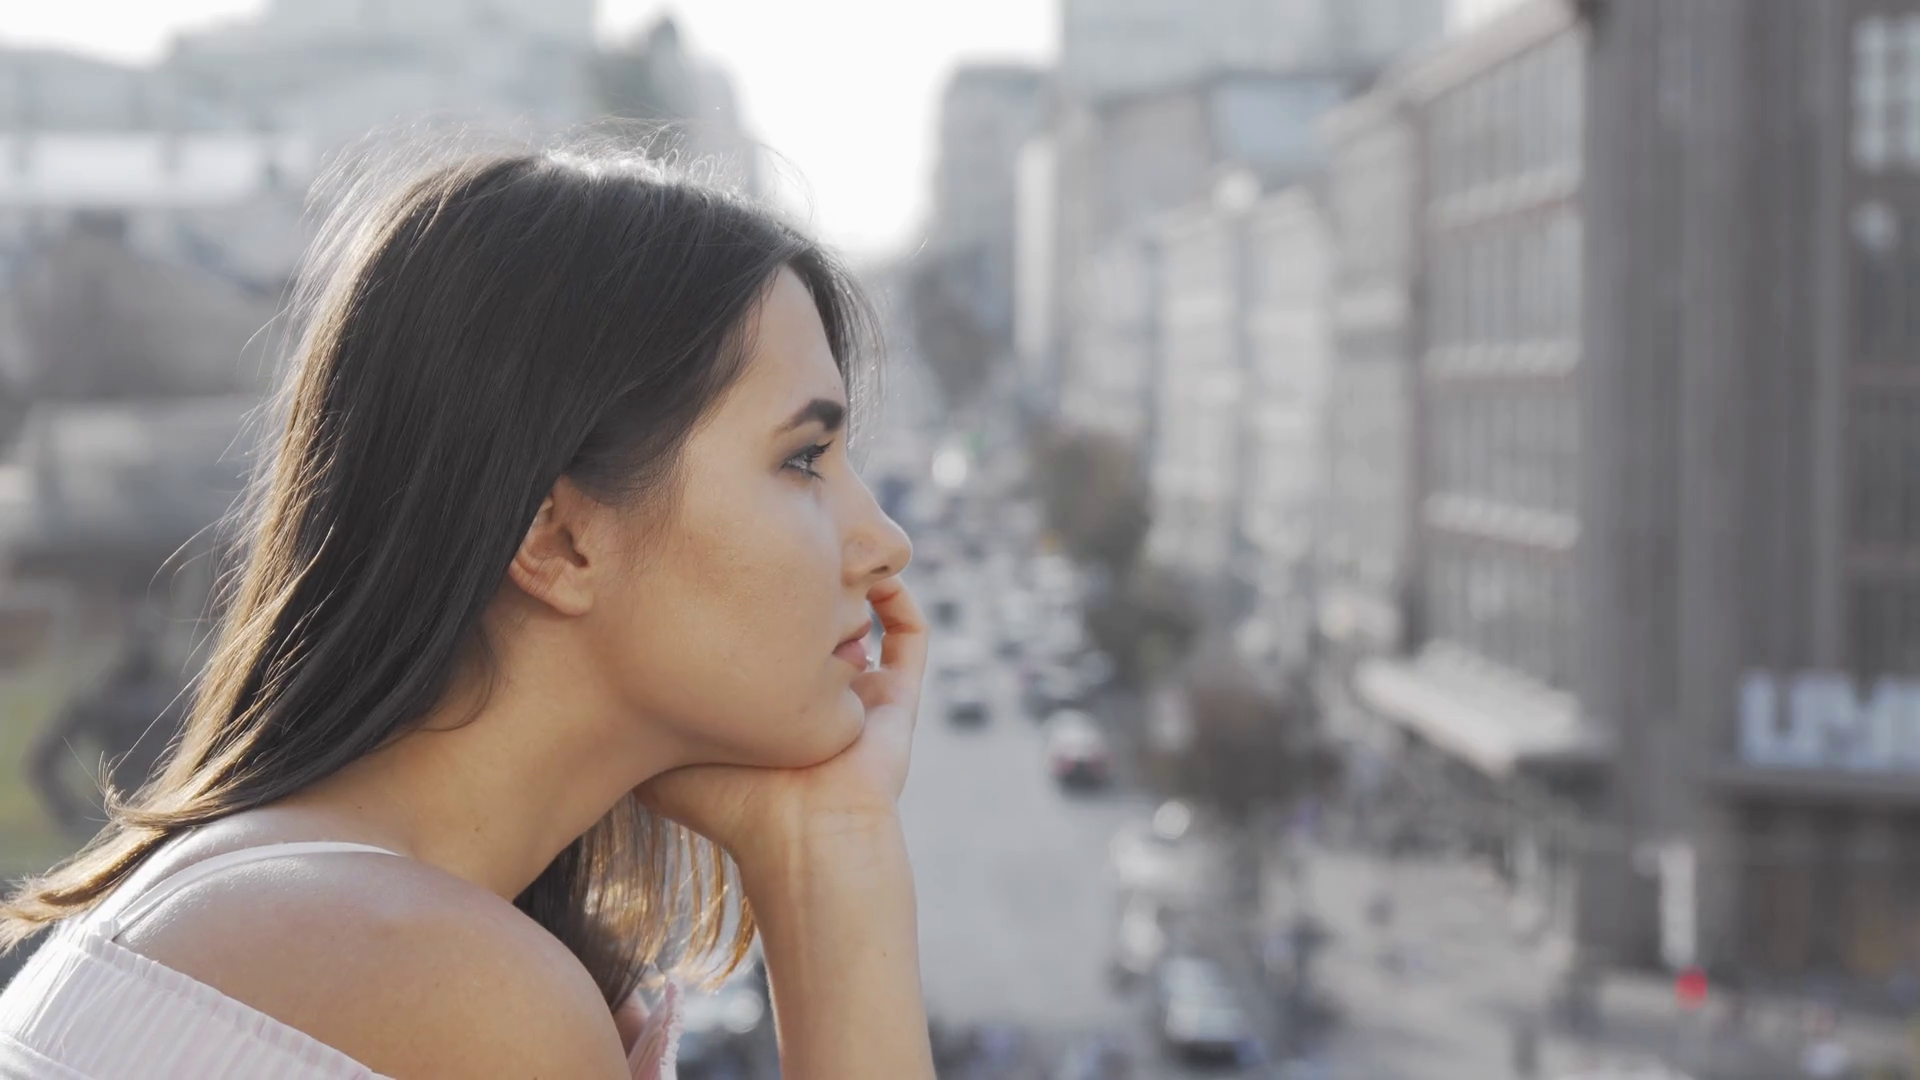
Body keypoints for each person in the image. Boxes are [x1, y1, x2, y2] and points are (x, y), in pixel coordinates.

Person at [0, 141, 931, 1079]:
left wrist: (828, 845)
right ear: (557, 540)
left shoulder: (277, 900)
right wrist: (841, 886)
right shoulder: (451, 989)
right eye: (804, 459)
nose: (884, 541)